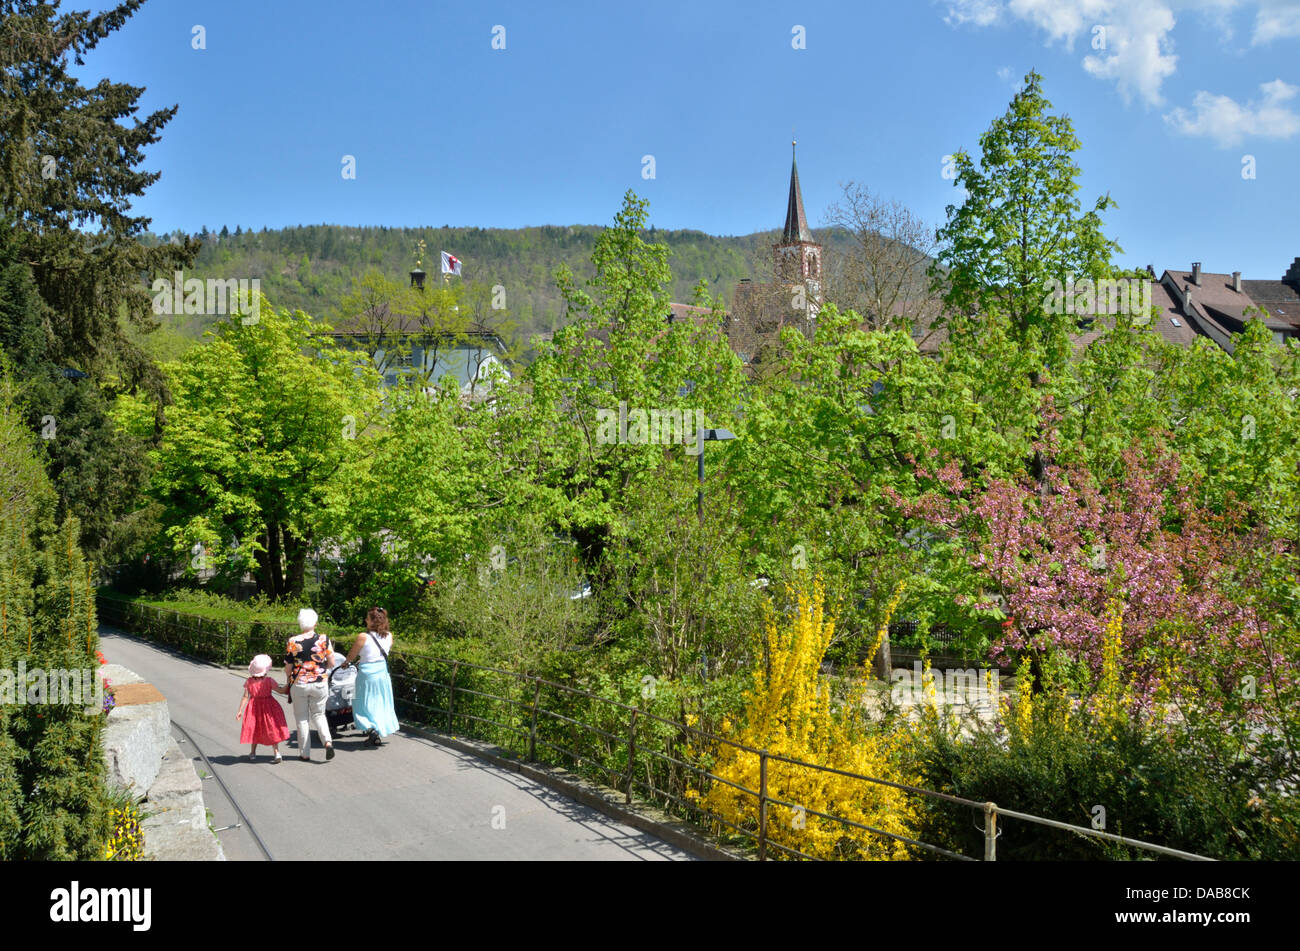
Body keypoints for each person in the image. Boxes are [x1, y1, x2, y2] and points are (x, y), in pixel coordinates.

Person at [343, 606, 399, 746]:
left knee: (362, 702)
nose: (365, 621)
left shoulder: (363, 637)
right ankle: (378, 729)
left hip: (367, 673)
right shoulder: (389, 636)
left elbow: (352, 654)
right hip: (382, 673)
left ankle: (370, 727)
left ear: (372, 621)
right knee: (380, 702)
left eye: (367, 619)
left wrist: (346, 662)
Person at [284, 608, 335, 761]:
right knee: (319, 714)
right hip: (319, 683)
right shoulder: (324, 639)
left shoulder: (293, 641)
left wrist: (290, 677)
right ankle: (327, 741)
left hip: (299, 684)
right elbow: (331, 662)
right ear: (316, 623)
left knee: (302, 718)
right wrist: (319, 668)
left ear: (300, 623)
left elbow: (288, 668)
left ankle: (304, 754)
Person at [236, 654, 290, 763]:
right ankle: (276, 753)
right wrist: (289, 683)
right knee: (272, 728)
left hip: (254, 707)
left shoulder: (249, 681)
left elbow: (246, 696)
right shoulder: (269, 680)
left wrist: (240, 710)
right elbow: (281, 691)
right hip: (269, 706)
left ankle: (252, 752)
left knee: (254, 728)